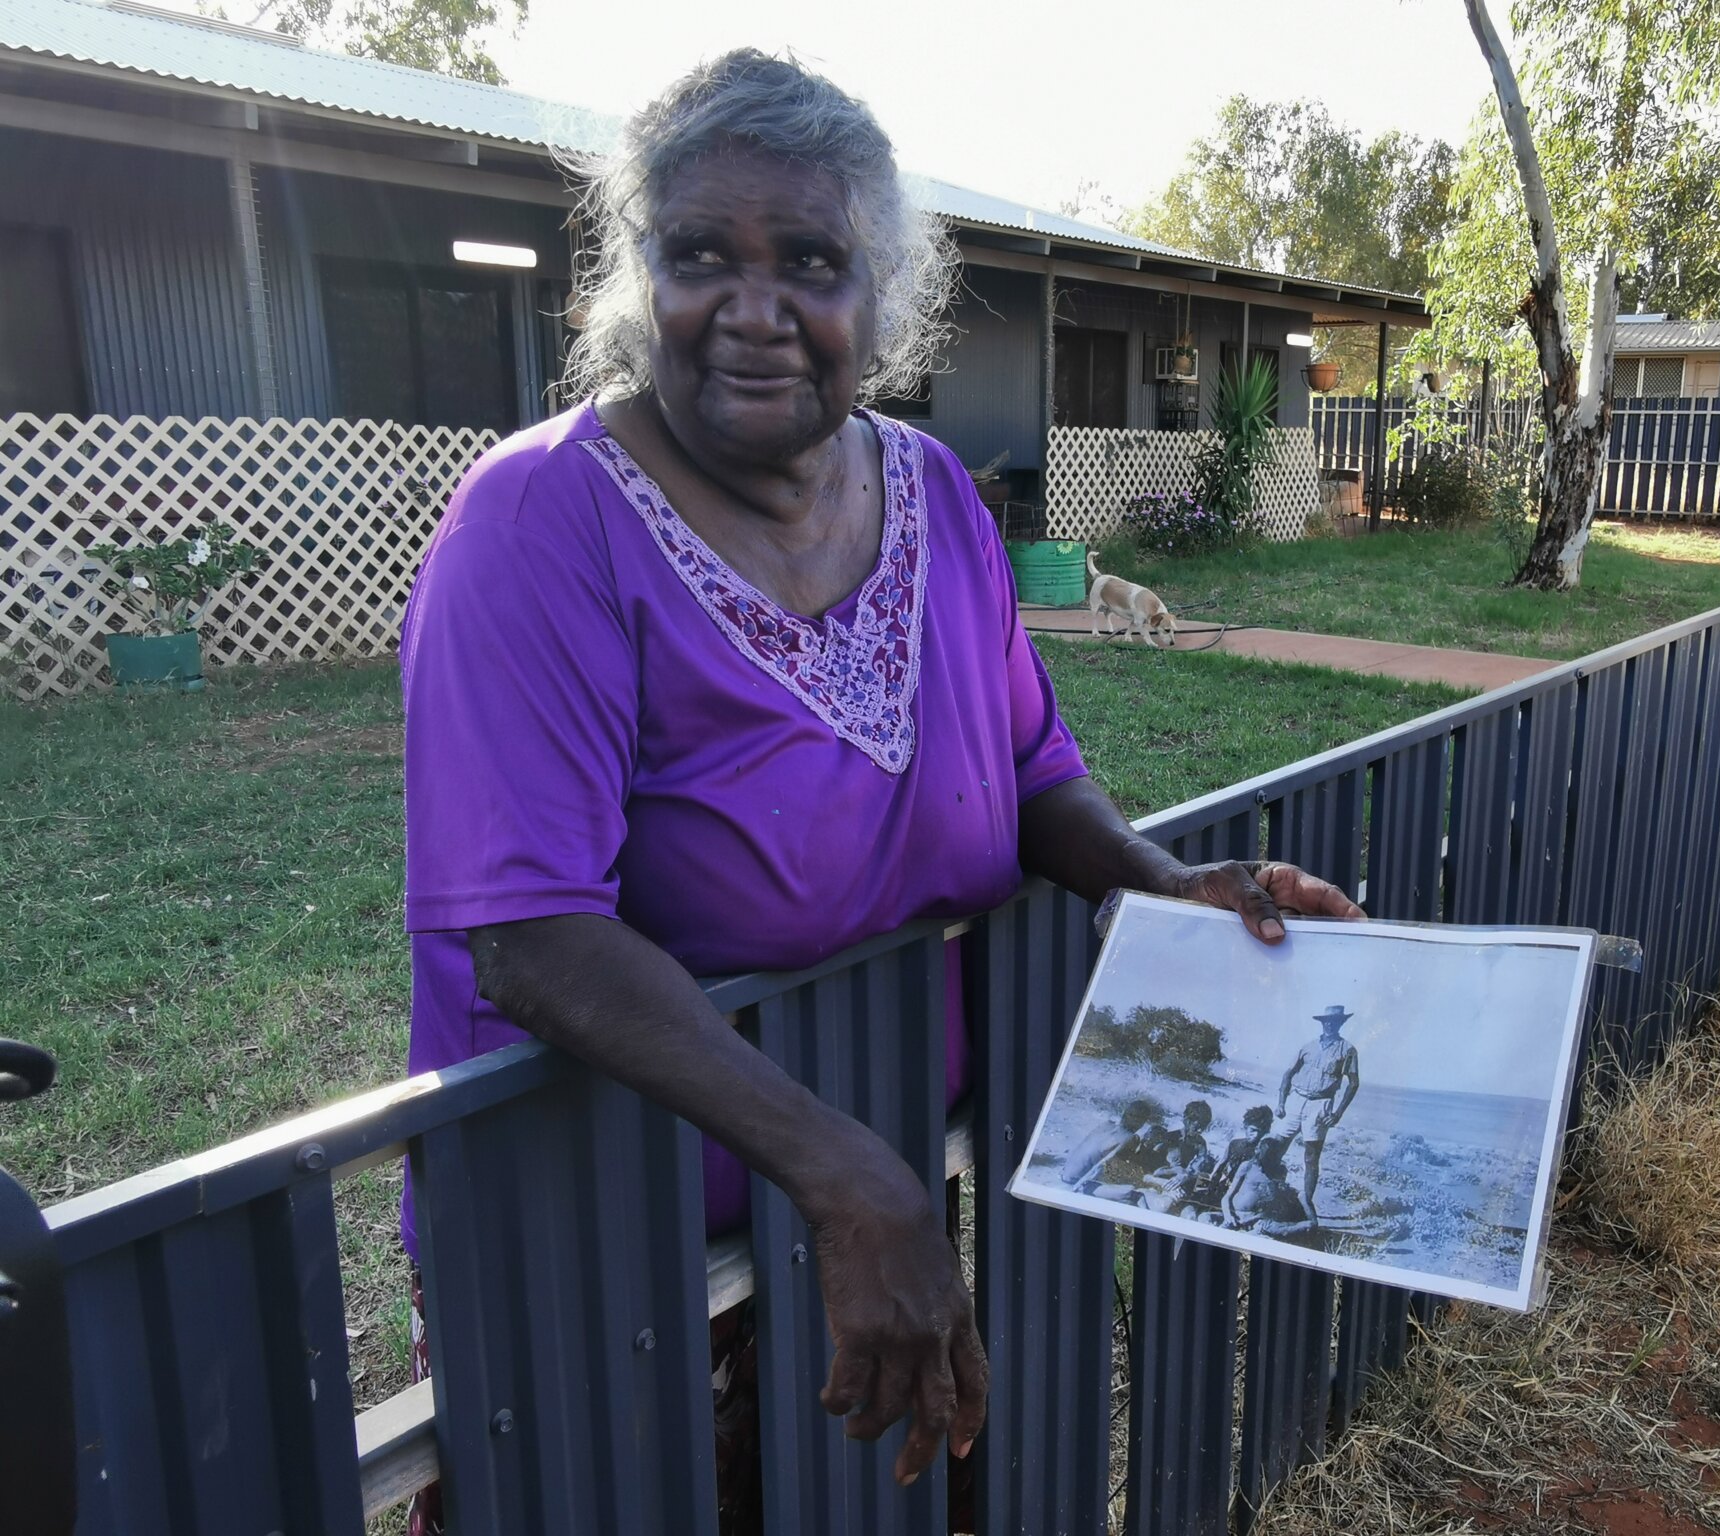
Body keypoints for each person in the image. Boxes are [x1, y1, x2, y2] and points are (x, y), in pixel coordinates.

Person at [397, 47, 1364, 1532]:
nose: (756, 307)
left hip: (867, 1219)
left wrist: (1158, 884)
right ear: (635, 275)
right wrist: (852, 1182)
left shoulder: (934, 501)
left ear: (882, 296)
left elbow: (1033, 768)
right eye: (701, 253)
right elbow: (529, 933)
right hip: (616, 1273)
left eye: (814, 261)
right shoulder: (537, 527)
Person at [1275, 1004, 1362, 1219]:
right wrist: (1281, 1103)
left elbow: (1353, 1083)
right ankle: (1269, 1193)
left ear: (1341, 1024)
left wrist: (1338, 1113)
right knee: (1275, 1147)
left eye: (1335, 1022)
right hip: (1296, 1100)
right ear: (1322, 1023)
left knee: (1311, 1157)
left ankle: (1306, 1204)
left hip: (1320, 1105)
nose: (1330, 1025)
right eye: (1327, 1021)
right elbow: (1288, 1074)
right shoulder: (1308, 1047)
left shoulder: (1347, 1049)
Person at [1222, 1137, 1324, 1247]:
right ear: (1257, 1151)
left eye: (1269, 1158)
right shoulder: (1247, 1166)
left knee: (1261, 1233)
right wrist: (1228, 1215)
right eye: (1262, 1157)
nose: (1264, 1162)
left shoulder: (1278, 1172)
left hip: (1258, 1221)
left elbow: (1283, 1197)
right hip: (1234, 1216)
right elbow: (1226, 1197)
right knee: (1205, 1218)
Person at [1060, 1097, 1171, 1198]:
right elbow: (1113, 1164)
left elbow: (1088, 1148)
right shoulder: (1131, 1138)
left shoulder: (1106, 1124)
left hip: (1065, 1173)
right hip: (1079, 1182)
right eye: (1143, 1119)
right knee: (1134, 1193)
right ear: (1141, 1121)